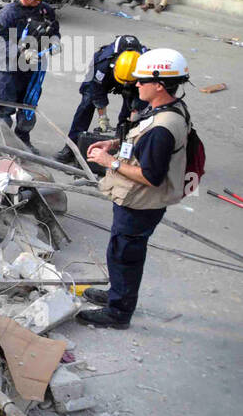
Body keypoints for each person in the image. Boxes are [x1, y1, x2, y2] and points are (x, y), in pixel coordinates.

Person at [79, 49, 196, 328]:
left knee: (125, 254)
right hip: (138, 200)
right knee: (120, 250)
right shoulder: (165, 109)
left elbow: (151, 176)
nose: (136, 84)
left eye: (142, 80)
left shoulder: (163, 127)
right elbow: (138, 135)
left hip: (142, 202)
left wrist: (110, 162)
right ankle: (116, 294)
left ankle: (118, 312)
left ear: (159, 84)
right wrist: (114, 145)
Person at [0, 0, 60, 152]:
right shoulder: (9, 13)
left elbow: (54, 31)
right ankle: (1, 145)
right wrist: (20, 51)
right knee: (5, 109)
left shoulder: (45, 11)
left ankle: (22, 140)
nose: (38, 1)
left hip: (33, 70)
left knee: (28, 109)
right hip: (9, 70)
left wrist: (55, 41)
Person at [57, 38, 145, 163]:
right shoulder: (102, 64)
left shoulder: (145, 67)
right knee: (87, 103)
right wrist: (102, 116)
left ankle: (123, 150)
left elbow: (141, 100)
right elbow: (97, 91)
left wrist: (133, 116)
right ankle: (71, 147)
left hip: (135, 81)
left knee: (132, 115)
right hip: (106, 76)